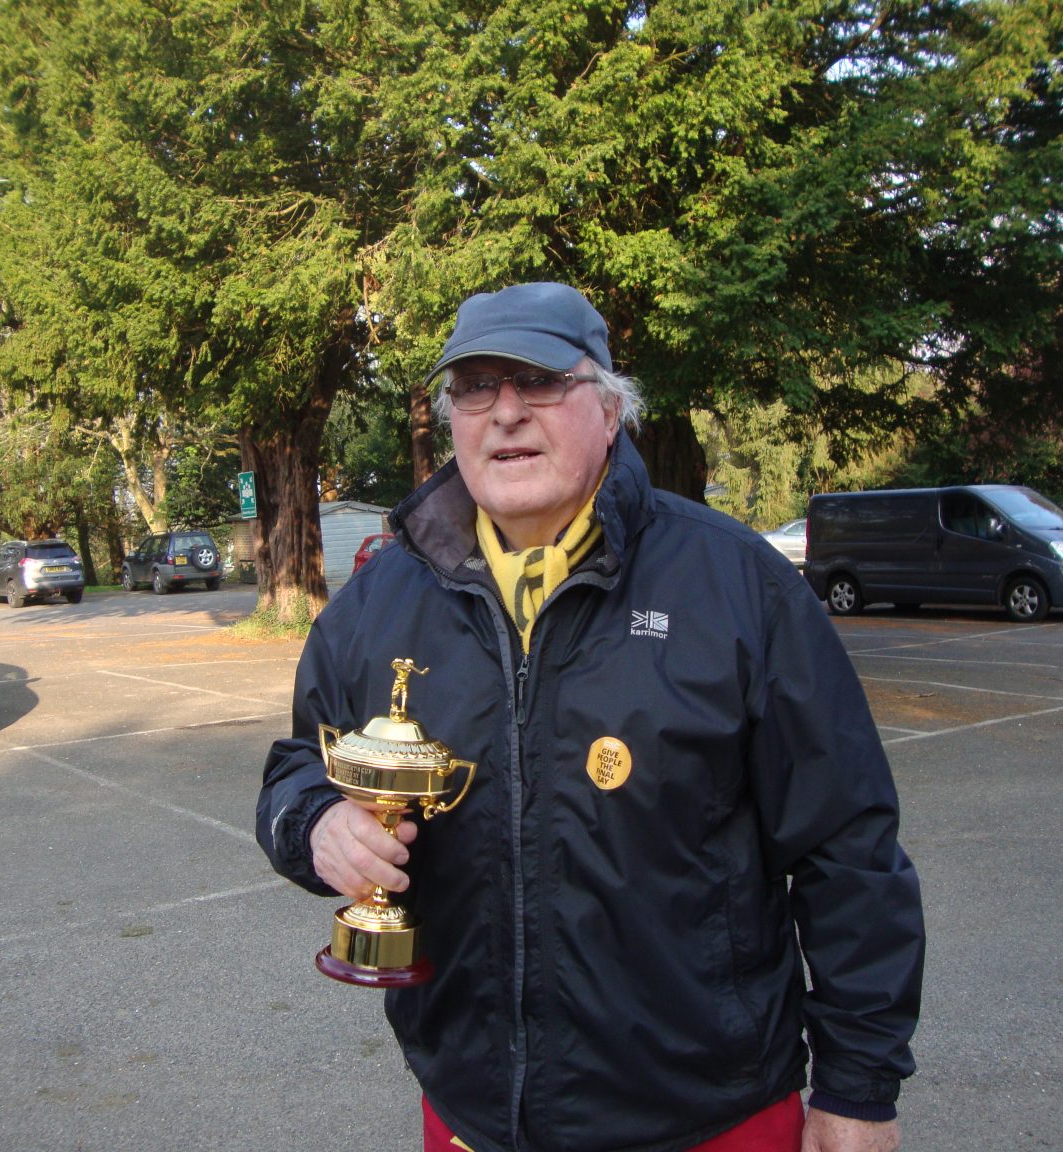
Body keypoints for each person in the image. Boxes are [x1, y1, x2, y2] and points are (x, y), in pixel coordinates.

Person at [257, 282, 924, 1152]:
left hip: (708, 1120)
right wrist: (315, 825)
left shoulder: (736, 587)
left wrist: (858, 1088)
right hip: (474, 1117)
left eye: (537, 382)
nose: (504, 414)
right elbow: (295, 767)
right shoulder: (379, 601)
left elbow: (848, 848)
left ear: (610, 411)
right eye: (475, 387)